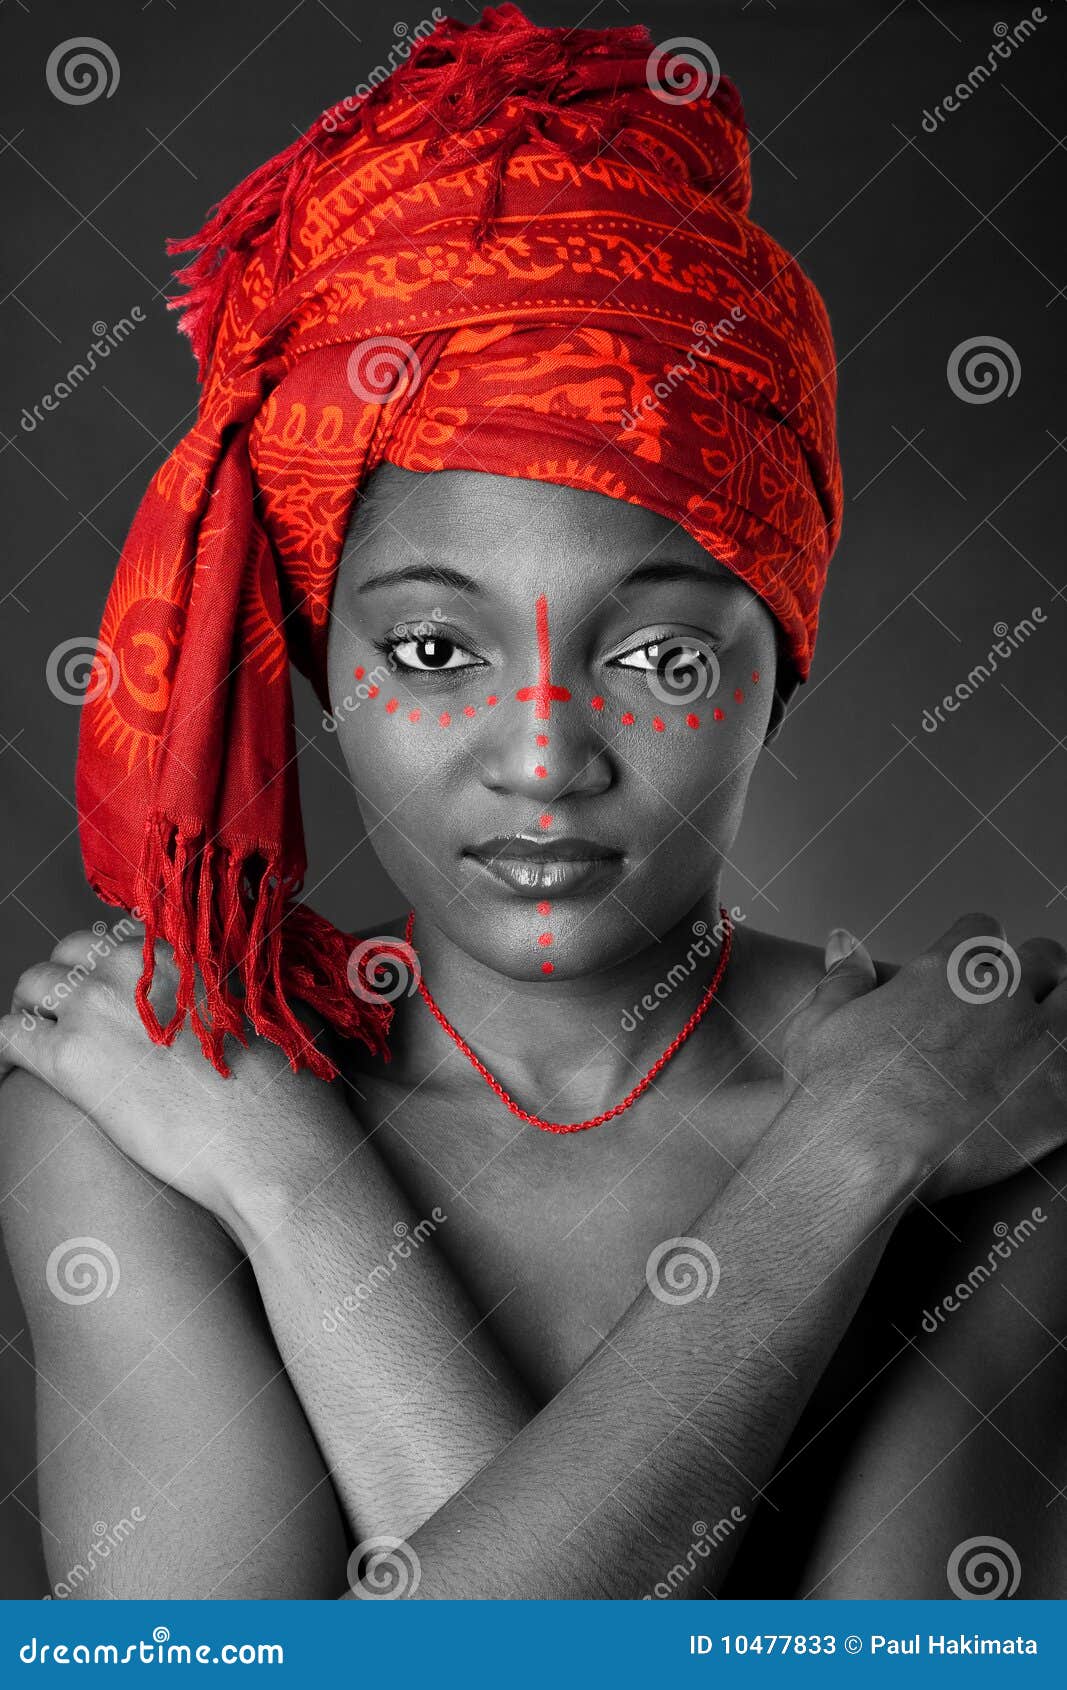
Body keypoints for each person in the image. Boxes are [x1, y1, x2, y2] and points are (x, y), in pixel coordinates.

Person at [2, 5, 1066, 1601]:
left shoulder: (987, 1105)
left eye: (653, 650)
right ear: (317, 661)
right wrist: (843, 1163)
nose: (544, 752)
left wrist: (299, 1202)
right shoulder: (140, 1119)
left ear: (780, 655)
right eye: (434, 645)